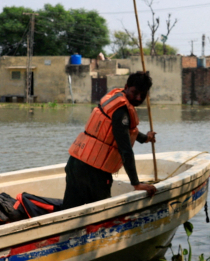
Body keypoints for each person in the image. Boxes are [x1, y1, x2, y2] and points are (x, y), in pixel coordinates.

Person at [63, 71, 157, 208]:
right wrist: (136, 184)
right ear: (126, 87)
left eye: (142, 95)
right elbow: (125, 150)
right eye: (135, 92)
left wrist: (146, 138)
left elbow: (122, 131)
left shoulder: (116, 98)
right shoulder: (121, 110)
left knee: (69, 210)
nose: (138, 97)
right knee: (101, 213)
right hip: (94, 172)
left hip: (76, 163)